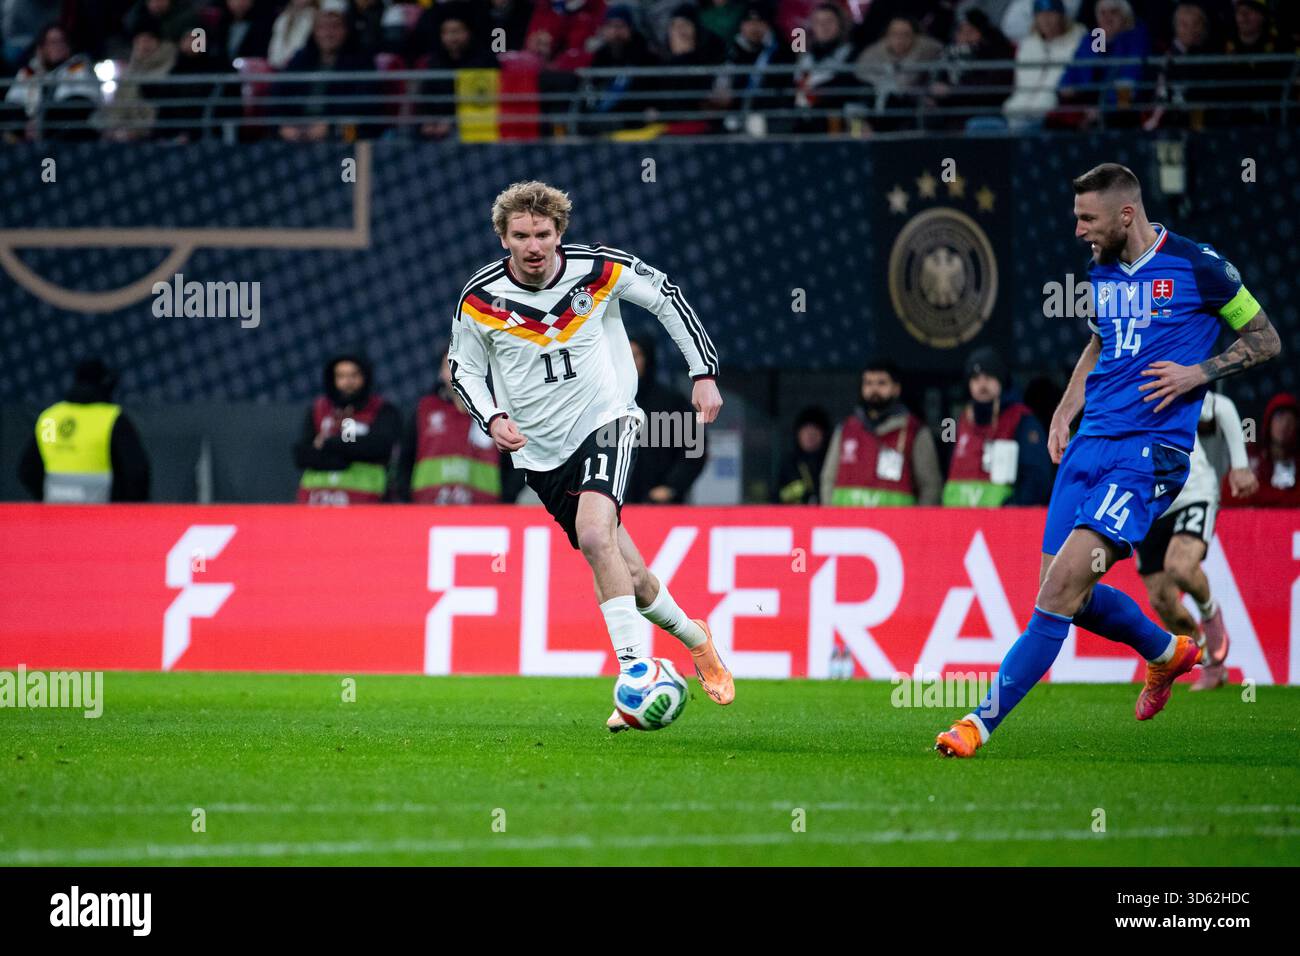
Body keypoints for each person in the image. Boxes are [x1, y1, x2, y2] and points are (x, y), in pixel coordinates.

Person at [936, 162, 1281, 758]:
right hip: (1090, 443)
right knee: (1061, 589)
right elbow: (1099, 340)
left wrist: (1199, 372)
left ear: (1127, 214)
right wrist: (1068, 405)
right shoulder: (1101, 268)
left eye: (1087, 218)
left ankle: (976, 724)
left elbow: (1266, 338)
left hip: (1148, 455)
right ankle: (1167, 651)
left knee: (1059, 591)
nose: (1078, 230)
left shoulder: (1201, 267)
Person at [448, 180, 732, 732]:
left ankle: (633, 676)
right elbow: (464, 371)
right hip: (540, 453)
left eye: (544, 234)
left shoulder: (598, 271)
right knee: (632, 574)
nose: (534, 246)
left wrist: (703, 373)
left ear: (560, 233)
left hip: (606, 419)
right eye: (521, 235)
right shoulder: (479, 299)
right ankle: (696, 638)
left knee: (598, 535)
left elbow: (666, 297)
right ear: (502, 237)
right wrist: (493, 418)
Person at [1136, 392, 1255, 691]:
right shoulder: (1114, 394)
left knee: (1181, 567)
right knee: (1162, 600)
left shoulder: (1163, 380)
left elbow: (1223, 407)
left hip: (1193, 491)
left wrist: (1239, 466)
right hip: (1149, 504)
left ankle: (1210, 615)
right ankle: (1210, 663)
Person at [18, 358, 150, 503]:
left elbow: (28, 470)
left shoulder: (51, 418)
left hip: (57, 514)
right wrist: (124, 511)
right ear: (105, 384)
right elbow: (137, 472)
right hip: (101, 519)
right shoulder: (111, 418)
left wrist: (49, 496)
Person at [821, 359, 943, 507]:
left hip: (896, 526)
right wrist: (830, 517)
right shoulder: (846, 428)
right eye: (868, 383)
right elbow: (828, 479)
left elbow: (930, 486)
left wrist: (918, 525)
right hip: (848, 526)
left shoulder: (914, 430)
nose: (874, 389)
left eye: (881, 383)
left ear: (896, 389)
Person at [942, 347, 1053, 507]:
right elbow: (946, 466)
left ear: (1001, 380)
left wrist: (1015, 508)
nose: (982, 384)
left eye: (988, 377)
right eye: (975, 379)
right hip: (956, 521)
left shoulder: (1022, 420)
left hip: (1002, 523)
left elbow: (1037, 476)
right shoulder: (955, 421)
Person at [293, 349, 401, 505]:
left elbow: (379, 447)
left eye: (354, 375)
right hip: (316, 503)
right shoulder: (318, 409)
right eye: (341, 376)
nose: (347, 382)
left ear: (365, 376)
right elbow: (302, 454)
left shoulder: (383, 410)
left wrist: (330, 444)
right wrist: (347, 454)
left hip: (365, 504)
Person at [402, 351, 503, 504]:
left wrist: (507, 499)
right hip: (428, 511)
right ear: (441, 373)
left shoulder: (497, 411)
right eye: (450, 366)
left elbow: (517, 463)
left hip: (485, 515)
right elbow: (404, 460)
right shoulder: (423, 409)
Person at [623, 334, 707, 504]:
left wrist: (671, 486)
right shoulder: (610, 402)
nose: (630, 361)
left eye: (636, 355)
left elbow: (695, 447)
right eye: (625, 355)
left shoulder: (671, 401)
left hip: (663, 508)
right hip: (615, 506)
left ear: (648, 358)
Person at [1001, 0, 1087, 130]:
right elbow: (1020, 84)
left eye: (1051, 14)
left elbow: (1099, 54)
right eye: (1041, 15)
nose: (1046, 20)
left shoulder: (1078, 40)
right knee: (982, 126)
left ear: (1061, 17)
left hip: (1053, 112)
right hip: (1017, 110)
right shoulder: (1028, 43)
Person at [1223, 392, 1300, 507]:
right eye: (1279, 417)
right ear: (1269, 421)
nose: (1284, 425)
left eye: (1290, 420)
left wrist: (1262, 496)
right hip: (1255, 523)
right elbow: (1230, 495)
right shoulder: (1250, 457)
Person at [773, 405, 831, 504]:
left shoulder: (830, 463)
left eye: (815, 429)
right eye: (805, 430)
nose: (810, 434)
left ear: (824, 434)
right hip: (792, 517)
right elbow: (775, 498)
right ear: (798, 433)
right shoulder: (788, 464)